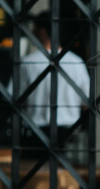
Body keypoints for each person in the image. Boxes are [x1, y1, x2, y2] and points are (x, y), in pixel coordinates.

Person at [8, 11, 90, 155]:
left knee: (35, 176)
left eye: (34, 28)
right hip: (69, 135)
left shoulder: (28, 63)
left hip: (35, 133)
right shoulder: (77, 62)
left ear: (42, 31)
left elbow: (14, 99)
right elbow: (86, 102)